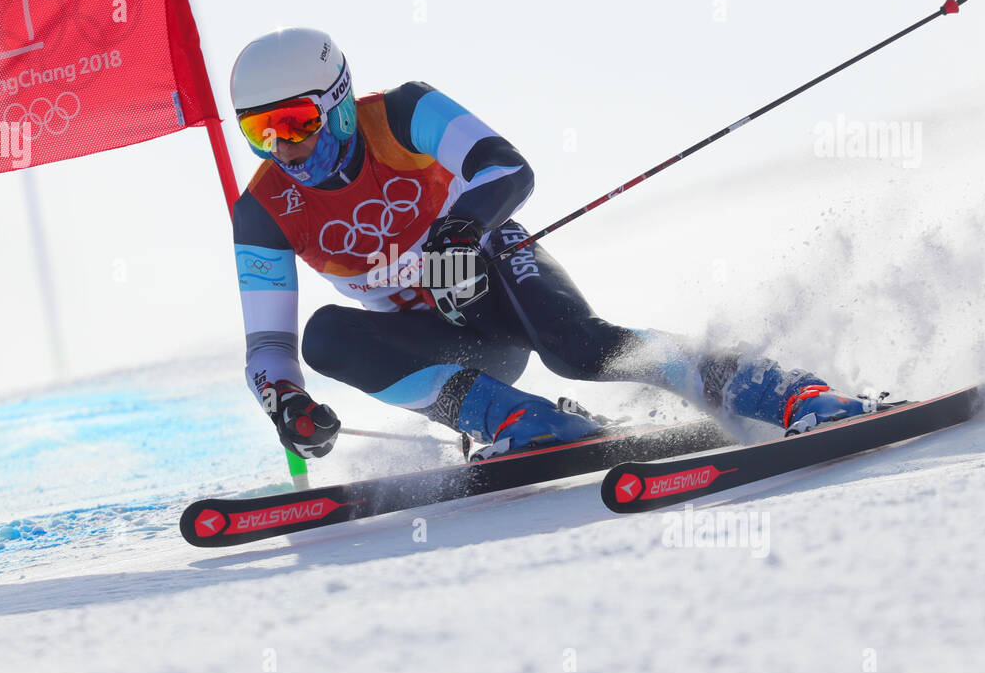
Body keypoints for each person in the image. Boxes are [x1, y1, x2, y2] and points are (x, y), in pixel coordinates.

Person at [229, 27, 872, 460]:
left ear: (338, 104)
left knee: (578, 350)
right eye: (261, 131)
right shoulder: (262, 210)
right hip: (445, 351)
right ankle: (517, 420)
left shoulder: (401, 112)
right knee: (323, 339)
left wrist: (459, 228)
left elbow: (507, 168)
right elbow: (269, 347)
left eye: (297, 122)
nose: (283, 146)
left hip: (486, 277)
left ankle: (785, 392)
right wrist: (288, 403)